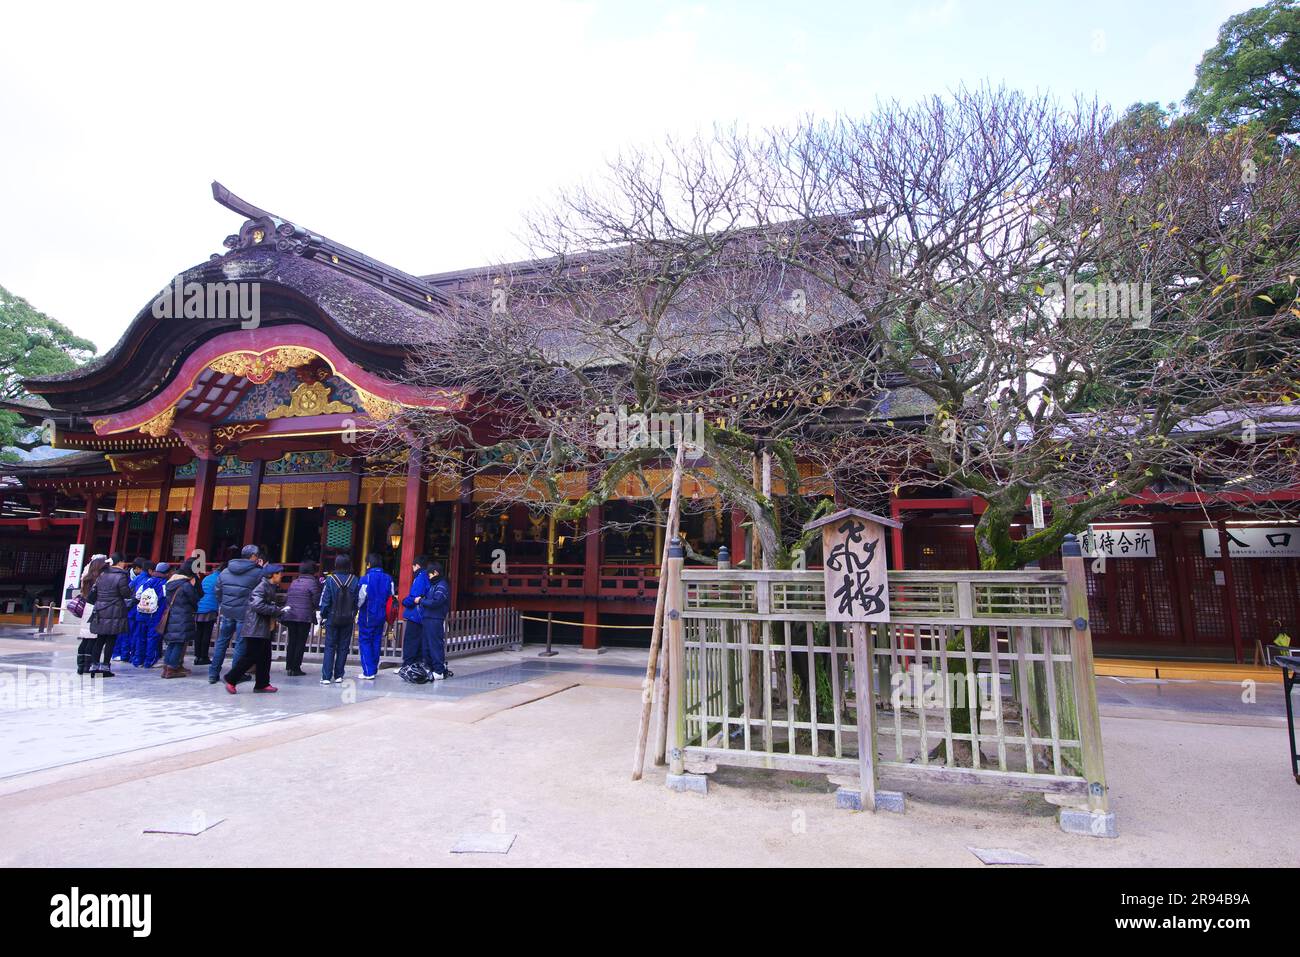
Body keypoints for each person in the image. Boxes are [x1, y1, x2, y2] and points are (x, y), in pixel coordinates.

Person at [223, 563, 289, 694]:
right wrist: (275, 610)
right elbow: (257, 605)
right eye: (279, 573)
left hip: (262, 628)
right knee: (251, 656)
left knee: (265, 657)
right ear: (272, 575)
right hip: (256, 628)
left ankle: (262, 683)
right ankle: (231, 678)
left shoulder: (269, 587)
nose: (281, 575)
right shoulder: (261, 587)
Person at [208, 545, 263, 684]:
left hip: (227, 611)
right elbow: (262, 591)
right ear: (253, 556)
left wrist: (224, 603)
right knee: (240, 643)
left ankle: (213, 674)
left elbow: (218, 591)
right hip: (244, 612)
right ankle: (235, 674)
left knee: (221, 642)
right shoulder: (257, 572)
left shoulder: (226, 570)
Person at [86, 554, 132, 677]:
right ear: (120, 562)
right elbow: (126, 593)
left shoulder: (101, 574)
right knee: (111, 640)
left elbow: (93, 593)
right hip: (115, 610)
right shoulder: (121, 576)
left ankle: (94, 666)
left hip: (100, 610)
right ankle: (105, 667)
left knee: (99, 639)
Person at [318, 554, 360, 685]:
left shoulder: (331, 580)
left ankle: (326, 676)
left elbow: (326, 600)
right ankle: (339, 675)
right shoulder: (354, 580)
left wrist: (323, 615)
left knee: (330, 646)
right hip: (348, 617)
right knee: (343, 647)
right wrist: (354, 613)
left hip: (332, 616)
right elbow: (357, 600)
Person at [356, 553, 394, 680]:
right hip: (381, 615)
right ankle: (373, 668)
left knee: (365, 641)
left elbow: (360, 599)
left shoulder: (365, 579)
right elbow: (391, 596)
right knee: (377, 641)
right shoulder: (388, 578)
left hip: (367, 615)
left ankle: (368, 671)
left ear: (369, 564)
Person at [160, 559, 199, 678]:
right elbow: (194, 599)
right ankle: (172, 668)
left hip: (172, 614)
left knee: (172, 643)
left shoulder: (170, 583)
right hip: (183, 615)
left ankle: (166, 667)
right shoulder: (186, 584)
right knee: (179, 643)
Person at [282, 560, 320, 677]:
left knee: (292, 640)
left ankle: (289, 665)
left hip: (291, 615)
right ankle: (296, 667)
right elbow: (315, 600)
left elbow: (288, 597)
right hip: (304, 616)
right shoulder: (312, 583)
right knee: (300, 642)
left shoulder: (294, 582)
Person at [129, 562, 169, 668]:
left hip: (142, 613)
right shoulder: (164, 584)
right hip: (155, 614)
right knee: (152, 637)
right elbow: (166, 599)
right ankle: (149, 660)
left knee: (140, 636)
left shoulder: (148, 581)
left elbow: (138, 595)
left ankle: (138, 659)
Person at [74, 556, 107, 675]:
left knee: (85, 639)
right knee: (92, 640)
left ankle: (80, 666)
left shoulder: (86, 579)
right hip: (95, 610)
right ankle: (88, 666)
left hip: (86, 609)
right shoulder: (98, 580)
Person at [422, 562, 453, 680]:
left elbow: (436, 602)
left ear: (435, 573)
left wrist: (422, 601)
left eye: (429, 575)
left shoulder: (441, 586)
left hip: (435, 619)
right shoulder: (435, 585)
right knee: (427, 645)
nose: (429, 577)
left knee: (435, 645)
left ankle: (439, 670)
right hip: (429, 618)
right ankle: (431, 668)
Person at [400, 554, 430, 668]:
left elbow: (414, 597)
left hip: (415, 615)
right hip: (423, 614)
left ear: (417, 565)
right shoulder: (427, 576)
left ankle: (407, 664)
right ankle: (417, 664)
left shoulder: (420, 577)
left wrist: (404, 601)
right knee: (419, 641)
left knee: (410, 641)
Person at [193, 559, 220, 666]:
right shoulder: (220, 579)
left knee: (199, 632)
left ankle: (197, 656)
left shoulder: (207, 578)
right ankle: (204, 656)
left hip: (200, 606)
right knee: (206, 633)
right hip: (210, 607)